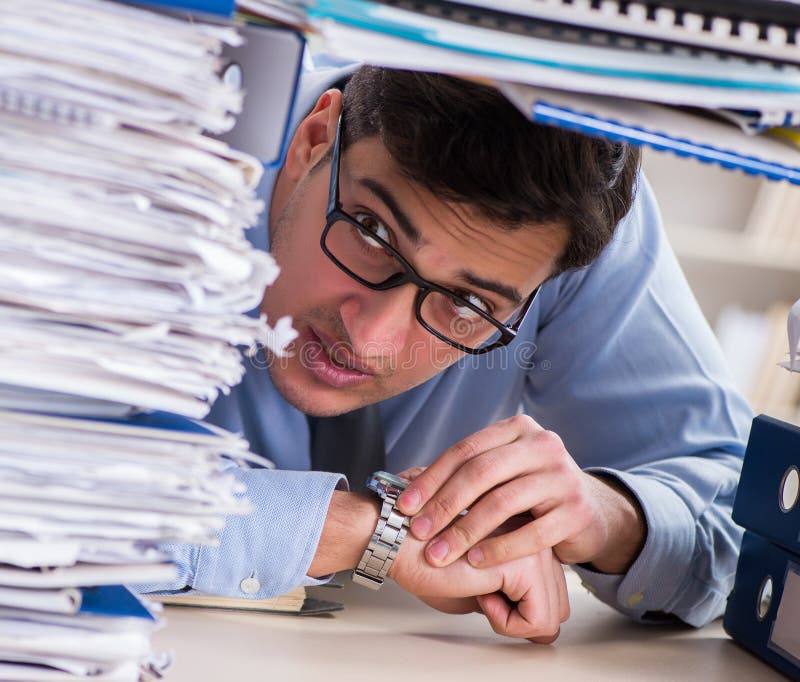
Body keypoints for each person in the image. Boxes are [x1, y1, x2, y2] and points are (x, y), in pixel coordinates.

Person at [139, 59, 752, 641]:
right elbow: (44, 485)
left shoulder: (573, 224)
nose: (371, 339)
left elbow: (748, 516)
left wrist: (605, 516)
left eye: (469, 306)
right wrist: (359, 528)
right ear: (314, 140)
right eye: (372, 232)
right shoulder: (140, 148)